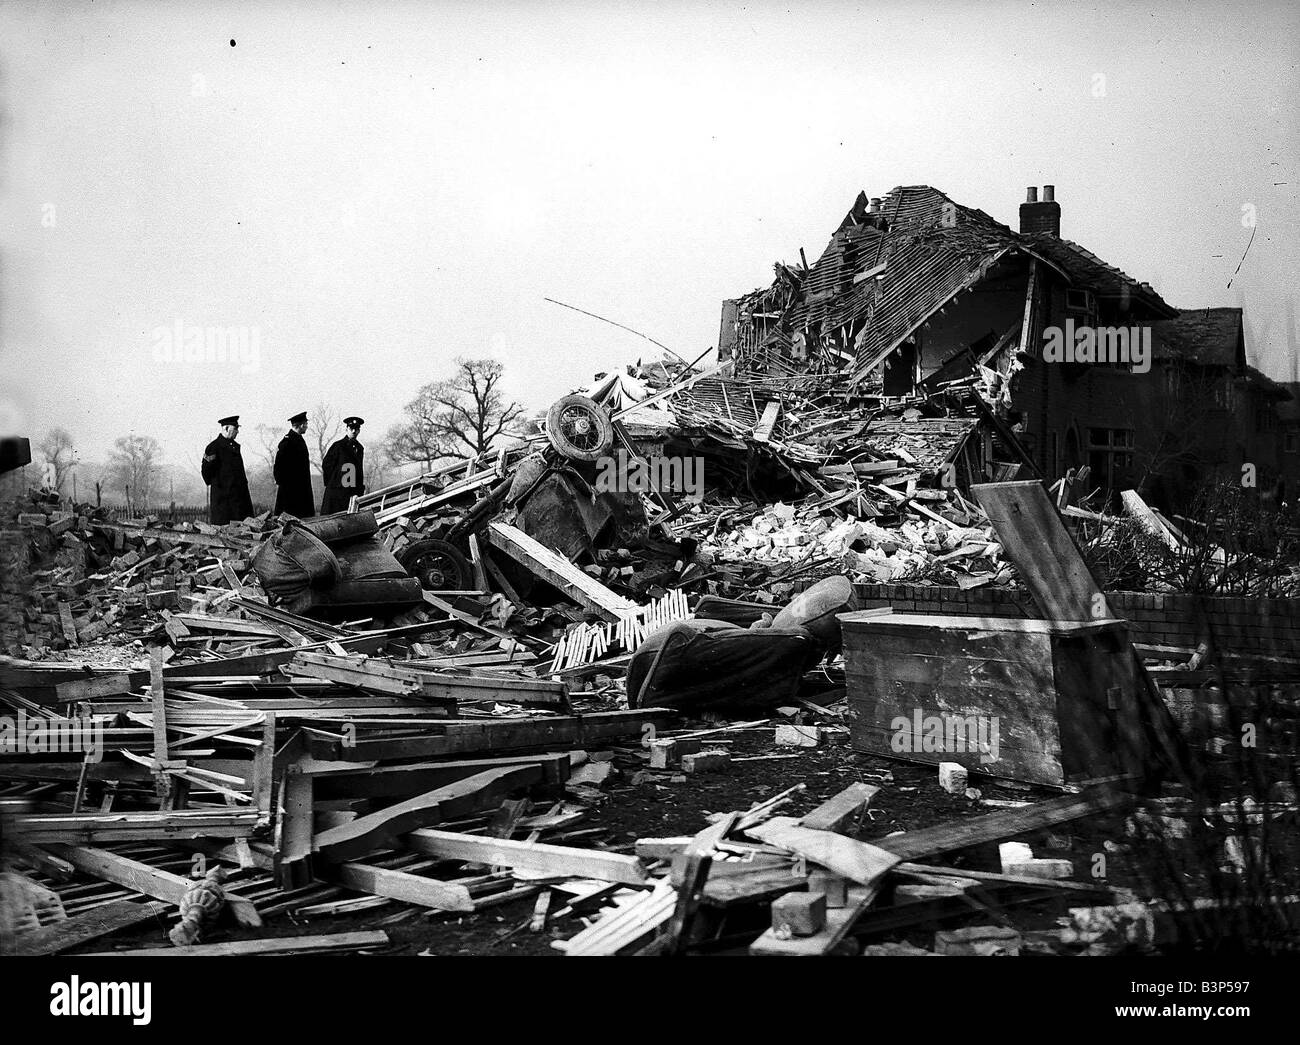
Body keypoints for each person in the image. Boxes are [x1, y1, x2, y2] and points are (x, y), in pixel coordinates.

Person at [201, 415, 253, 525]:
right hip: (224, 500)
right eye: (235, 429)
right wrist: (219, 484)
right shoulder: (214, 447)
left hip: (239, 498)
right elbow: (206, 472)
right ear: (226, 429)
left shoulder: (235, 446)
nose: (237, 432)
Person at [273, 411, 315, 518]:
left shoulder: (298, 440)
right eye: (306, 424)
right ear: (301, 425)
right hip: (290, 492)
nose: (306, 426)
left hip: (300, 489)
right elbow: (278, 467)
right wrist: (284, 484)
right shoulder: (287, 442)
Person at [321, 415, 365, 514]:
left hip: (351, 492)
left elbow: (359, 470)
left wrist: (359, 490)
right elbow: (326, 465)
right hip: (337, 492)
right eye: (351, 428)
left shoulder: (359, 448)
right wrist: (333, 483)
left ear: (359, 430)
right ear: (347, 429)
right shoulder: (338, 446)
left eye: (356, 429)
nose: (354, 431)